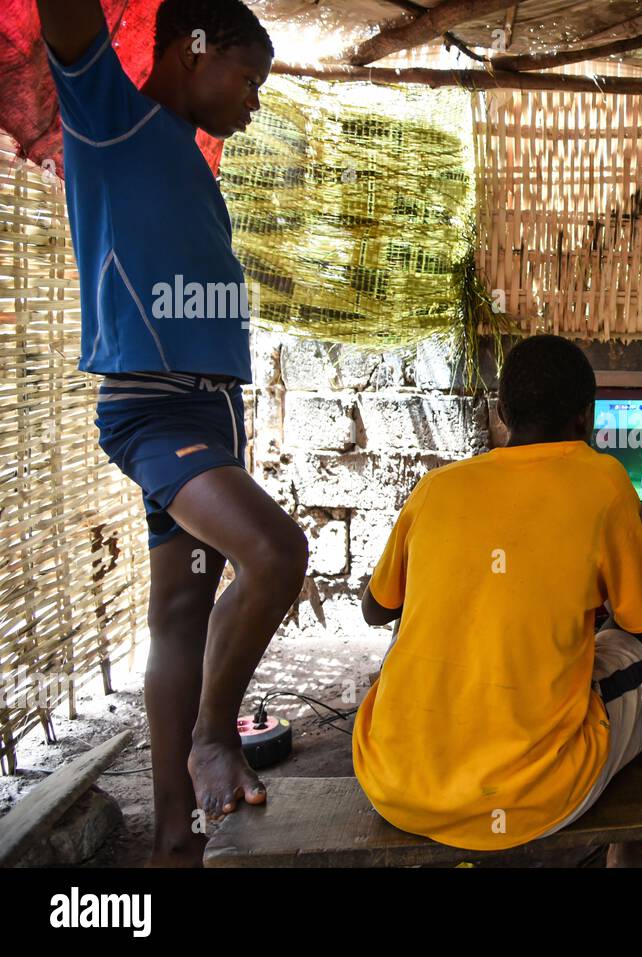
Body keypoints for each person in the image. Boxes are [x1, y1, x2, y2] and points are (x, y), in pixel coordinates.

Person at [37, 0, 304, 866]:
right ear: (195, 52)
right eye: (249, 77)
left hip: (208, 412)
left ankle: (171, 840)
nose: (254, 102)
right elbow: (68, 21)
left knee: (183, 613)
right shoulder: (110, 117)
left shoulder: (191, 161)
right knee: (275, 552)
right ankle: (213, 736)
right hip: (153, 409)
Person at [354, 335, 642, 865]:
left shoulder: (437, 487)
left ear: (501, 412)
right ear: (585, 417)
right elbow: (641, 624)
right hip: (538, 797)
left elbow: (375, 610)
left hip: (392, 784)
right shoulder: (604, 480)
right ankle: (636, 835)